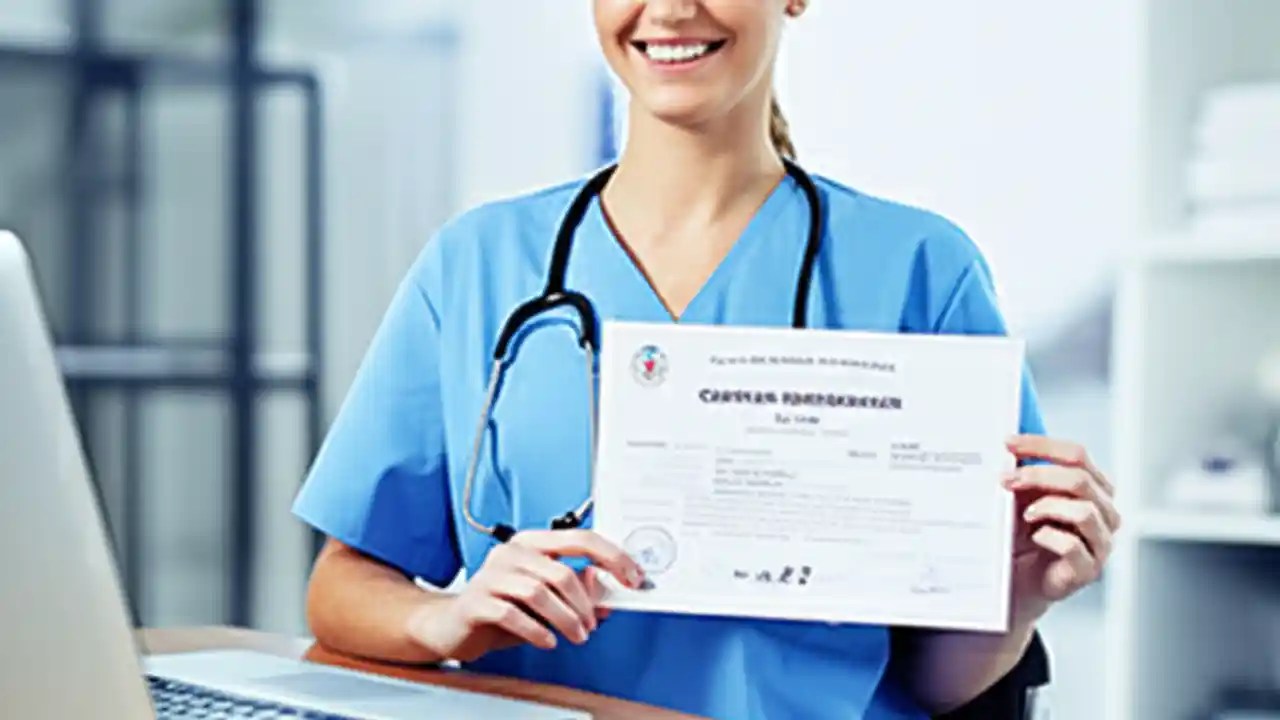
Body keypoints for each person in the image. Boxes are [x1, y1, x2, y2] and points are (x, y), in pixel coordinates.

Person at [292, 1, 1122, 718]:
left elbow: (937, 687)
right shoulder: (477, 263)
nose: (670, 9)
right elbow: (341, 586)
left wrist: (1014, 599)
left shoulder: (920, 271)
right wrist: (442, 620)